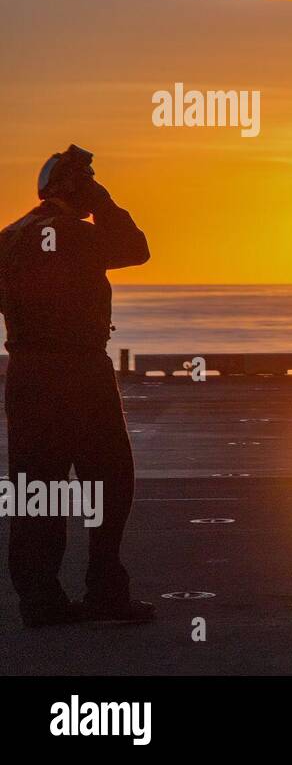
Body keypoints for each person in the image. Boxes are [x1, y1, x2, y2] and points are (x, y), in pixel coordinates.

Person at [0, 145, 154, 627]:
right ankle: (105, 590)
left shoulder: (8, 239)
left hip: (27, 372)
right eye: (87, 182)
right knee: (110, 480)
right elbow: (135, 249)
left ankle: (39, 599)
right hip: (81, 371)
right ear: (76, 186)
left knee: (36, 488)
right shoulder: (80, 235)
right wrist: (105, 202)